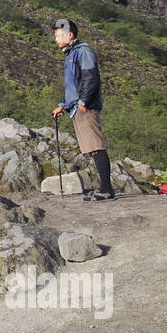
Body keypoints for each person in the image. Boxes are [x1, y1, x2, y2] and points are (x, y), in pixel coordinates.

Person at [50, 18, 115, 201]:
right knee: (91, 147)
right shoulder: (71, 54)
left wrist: (83, 101)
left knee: (96, 146)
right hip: (78, 107)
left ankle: (106, 189)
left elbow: (90, 77)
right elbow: (73, 86)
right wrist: (63, 105)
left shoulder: (83, 52)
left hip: (86, 107)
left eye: (58, 36)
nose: (56, 39)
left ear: (70, 35)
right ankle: (104, 188)